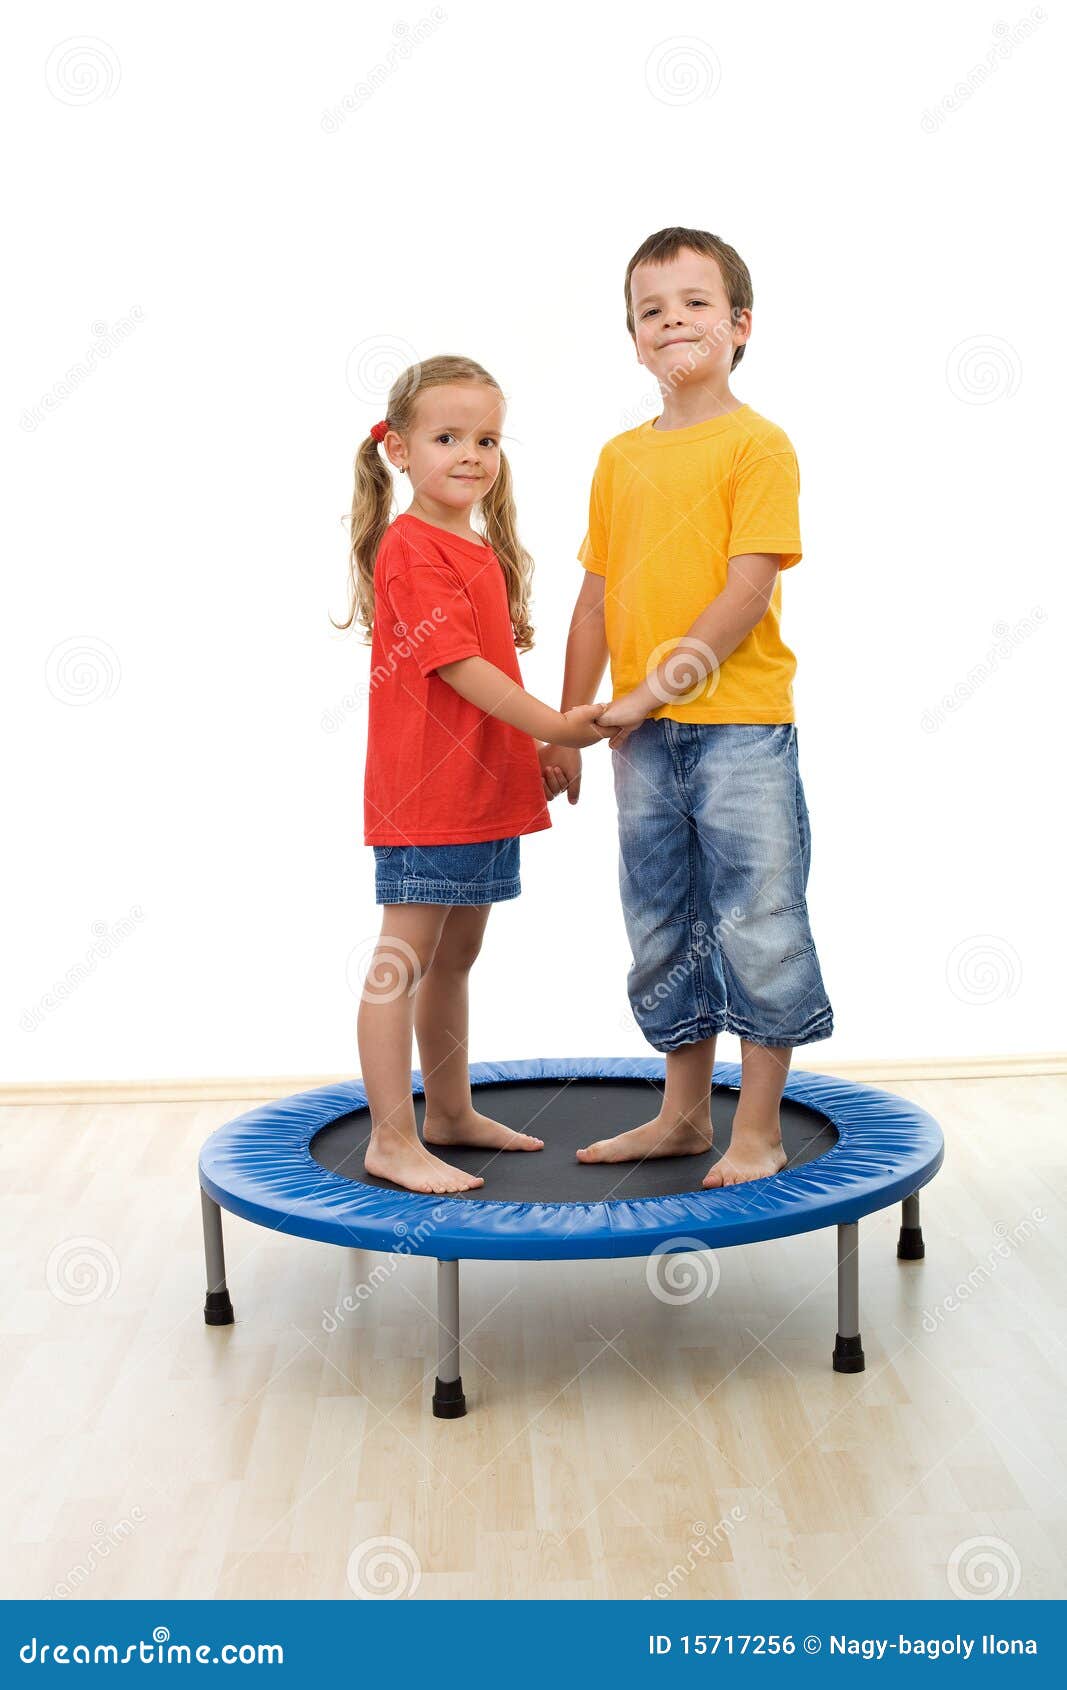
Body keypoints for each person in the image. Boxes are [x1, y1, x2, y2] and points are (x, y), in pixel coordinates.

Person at [540, 227, 834, 1186]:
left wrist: (646, 693)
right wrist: (569, 725)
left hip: (738, 727)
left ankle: (755, 1129)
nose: (673, 322)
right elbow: (592, 597)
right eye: (650, 310)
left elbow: (743, 594)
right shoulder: (620, 458)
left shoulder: (760, 445)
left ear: (740, 324)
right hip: (636, 738)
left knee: (757, 918)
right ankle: (679, 1115)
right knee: (661, 920)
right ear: (632, 340)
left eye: (695, 303)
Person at [338, 354, 605, 1196]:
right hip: (428, 797)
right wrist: (558, 725)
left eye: (485, 438)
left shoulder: (473, 547)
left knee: (456, 958)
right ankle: (391, 1136)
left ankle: (447, 1111)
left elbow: (487, 676)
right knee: (401, 961)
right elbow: (461, 674)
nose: (470, 454)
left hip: (478, 791)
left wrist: (529, 752)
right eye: (447, 436)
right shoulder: (412, 549)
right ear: (399, 451)